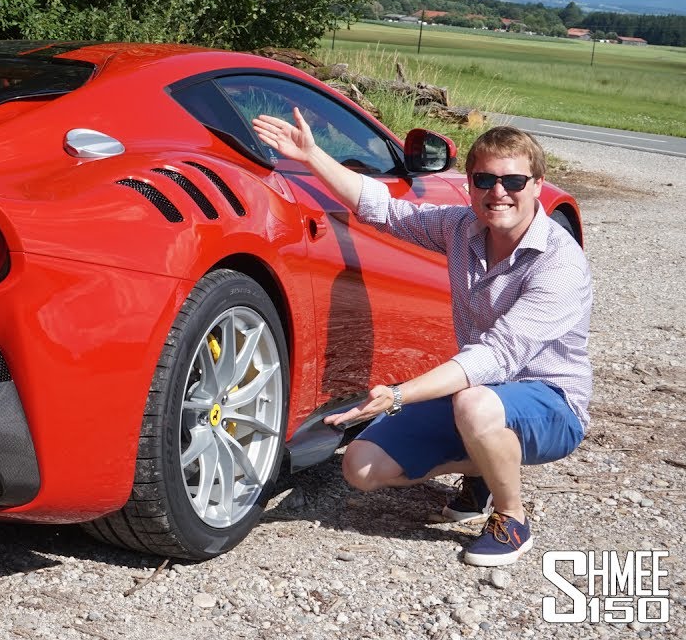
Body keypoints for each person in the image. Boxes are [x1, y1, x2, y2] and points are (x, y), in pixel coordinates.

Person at [252, 110, 592, 567]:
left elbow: (497, 356)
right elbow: (383, 209)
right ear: (470, 184)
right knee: (360, 466)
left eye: (513, 181)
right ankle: (485, 466)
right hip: (479, 395)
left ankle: (511, 519)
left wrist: (398, 395)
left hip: (551, 403)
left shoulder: (559, 263)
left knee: (475, 404)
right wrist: (312, 155)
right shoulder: (461, 228)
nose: (498, 192)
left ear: (536, 185)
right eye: (485, 180)